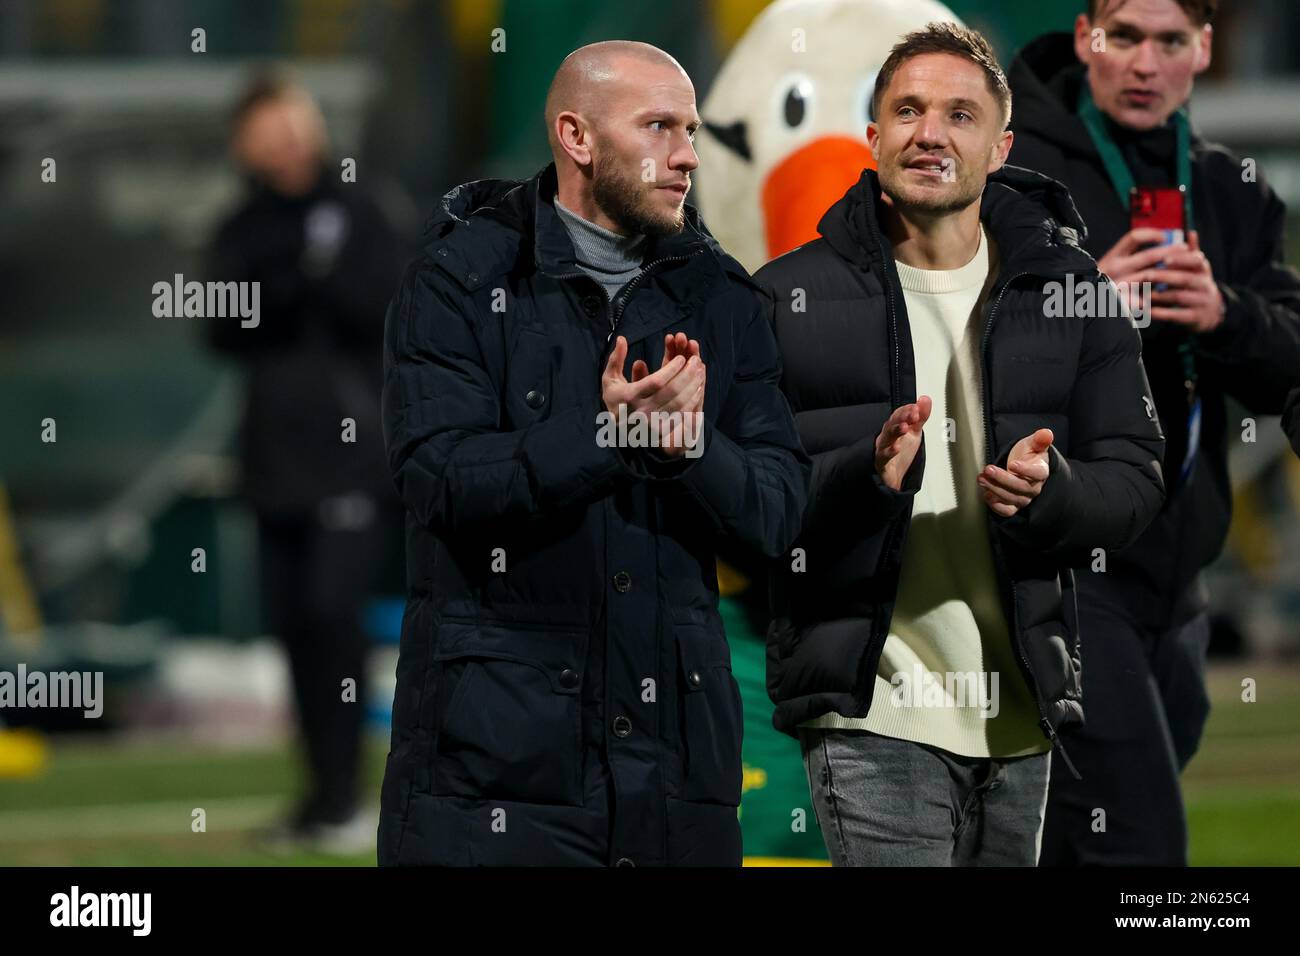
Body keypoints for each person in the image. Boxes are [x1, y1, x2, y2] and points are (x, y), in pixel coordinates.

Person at [377, 40, 809, 867]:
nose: (687, 154)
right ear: (576, 137)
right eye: (658, 127)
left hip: (675, 774)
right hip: (493, 775)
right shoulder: (456, 281)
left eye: (690, 129)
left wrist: (688, 450)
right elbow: (439, 480)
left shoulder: (723, 296)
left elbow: (779, 514)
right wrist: (607, 436)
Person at [757, 22, 1166, 866]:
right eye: (906, 111)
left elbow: (1135, 473)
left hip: (1021, 715)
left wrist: (1055, 496)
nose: (930, 133)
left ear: (1000, 143)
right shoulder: (783, 297)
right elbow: (747, 505)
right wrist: (861, 479)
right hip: (872, 710)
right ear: (872, 138)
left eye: (958, 114)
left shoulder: (1070, 288)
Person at [1007, 0, 1300, 864]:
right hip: (1059, 568)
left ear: (1204, 48)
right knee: (1137, 849)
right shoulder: (1010, 175)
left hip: (1181, 583)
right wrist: (1083, 305)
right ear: (1086, 36)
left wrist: (1224, 314)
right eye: (1124, 37)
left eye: (1170, 41)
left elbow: (1290, 361)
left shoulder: (1228, 188)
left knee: (1083, 840)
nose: (1145, 64)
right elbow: (959, 353)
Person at [205, 72, 405, 853]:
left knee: (333, 617)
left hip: (350, 459)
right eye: (266, 130)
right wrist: (298, 282)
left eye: (292, 125)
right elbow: (223, 325)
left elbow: (382, 304)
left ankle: (348, 796)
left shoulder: (362, 208)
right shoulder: (242, 225)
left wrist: (305, 288)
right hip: (271, 464)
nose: (283, 143)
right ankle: (319, 797)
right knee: (291, 627)